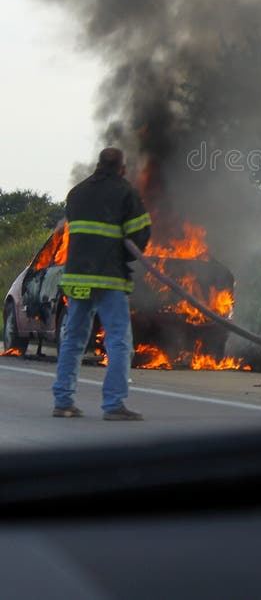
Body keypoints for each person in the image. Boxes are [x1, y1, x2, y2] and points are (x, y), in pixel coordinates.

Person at [52, 147, 152, 420]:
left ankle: (63, 401)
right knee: (119, 341)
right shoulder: (125, 192)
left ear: (98, 165)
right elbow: (141, 235)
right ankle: (114, 405)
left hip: (76, 279)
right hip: (108, 279)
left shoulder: (76, 193)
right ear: (122, 167)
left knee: (73, 339)